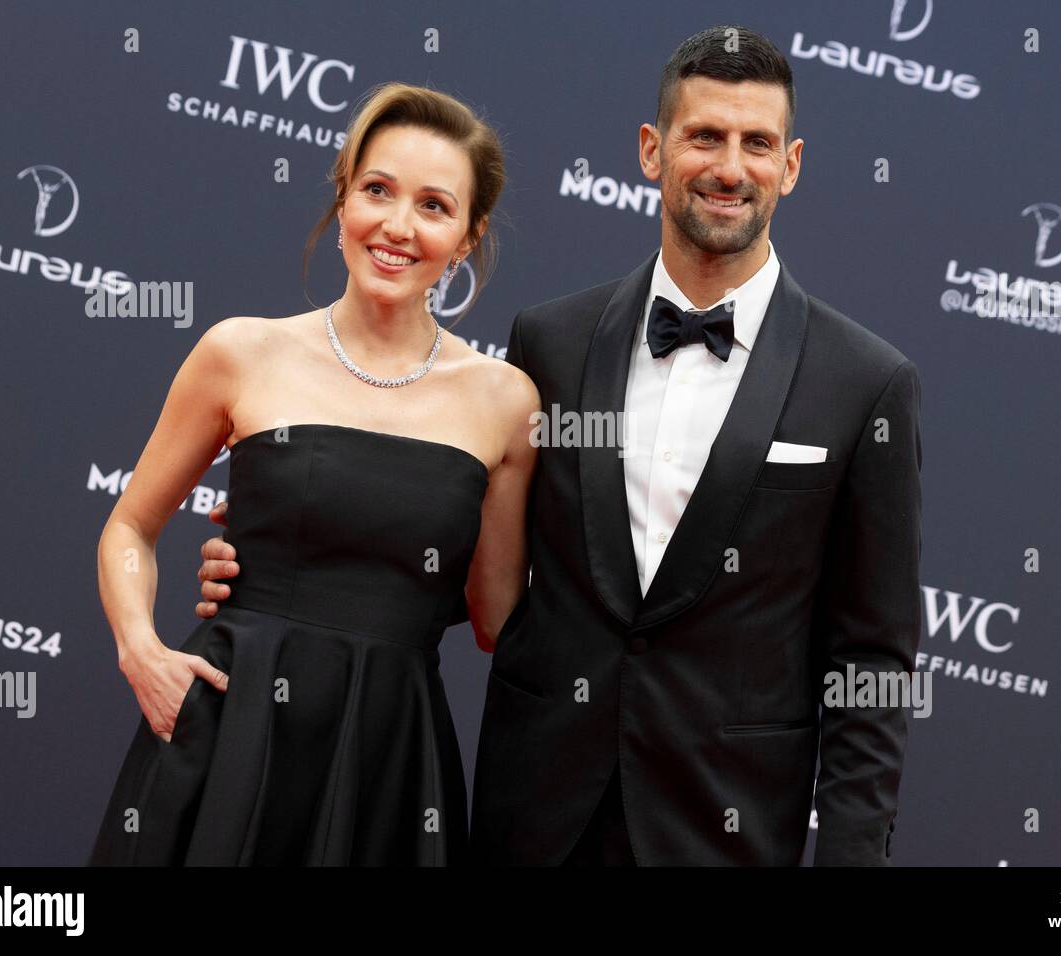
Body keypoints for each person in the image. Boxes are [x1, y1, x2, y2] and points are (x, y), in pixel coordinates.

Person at [200, 25, 924, 867]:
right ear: (652, 151)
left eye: (756, 143)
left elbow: (872, 661)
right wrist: (295, 546)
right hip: (534, 816)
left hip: (723, 828)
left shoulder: (866, 382)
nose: (730, 167)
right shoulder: (550, 345)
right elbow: (462, 537)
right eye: (704, 136)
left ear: (790, 165)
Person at [88, 81, 539, 866]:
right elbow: (130, 525)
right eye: (377, 190)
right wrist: (142, 651)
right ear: (342, 198)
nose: (397, 226)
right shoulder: (241, 352)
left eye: (434, 206)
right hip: (232, 727)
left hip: (389, 753)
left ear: (468, 237)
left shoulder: (505, 401)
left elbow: (498, 617)